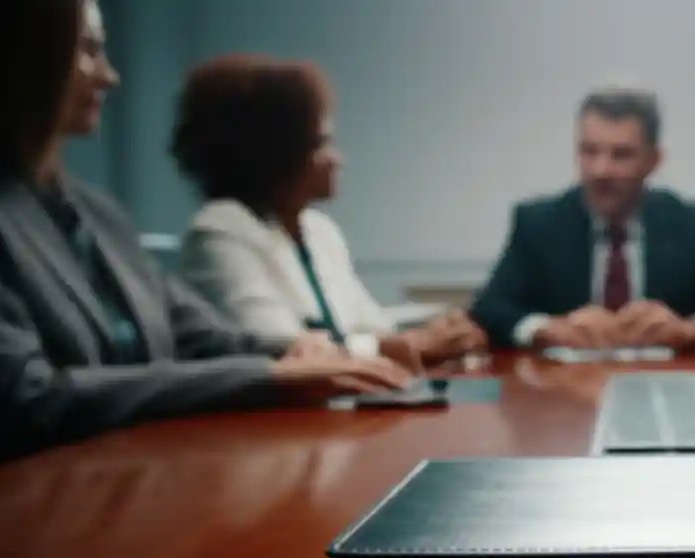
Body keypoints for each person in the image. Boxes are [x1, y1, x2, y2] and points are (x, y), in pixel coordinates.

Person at [0, 0, 409, 465]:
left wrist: (291, 351)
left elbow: (198, 334)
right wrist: (266, 376)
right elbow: (25, 398)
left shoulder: (98, 213)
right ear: (21, 53)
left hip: (134, 483)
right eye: (87, 51)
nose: (110, 76)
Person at [172, 55, 486, 374]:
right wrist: (405, 345)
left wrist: (436, 332)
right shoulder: (220, 230)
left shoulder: (319, 230)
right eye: (322, 143)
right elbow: (283, 349)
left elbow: (370, 325)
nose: (338, 160)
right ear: (275, 152)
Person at [470, 84, 695, 350]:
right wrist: (547, 328)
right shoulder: (538, 223)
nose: (600, 170)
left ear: (654, 161)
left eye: (621, 155)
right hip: (565, 398)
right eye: (589, 151)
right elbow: (487, 309)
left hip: (667, 391)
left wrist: (692, 330)